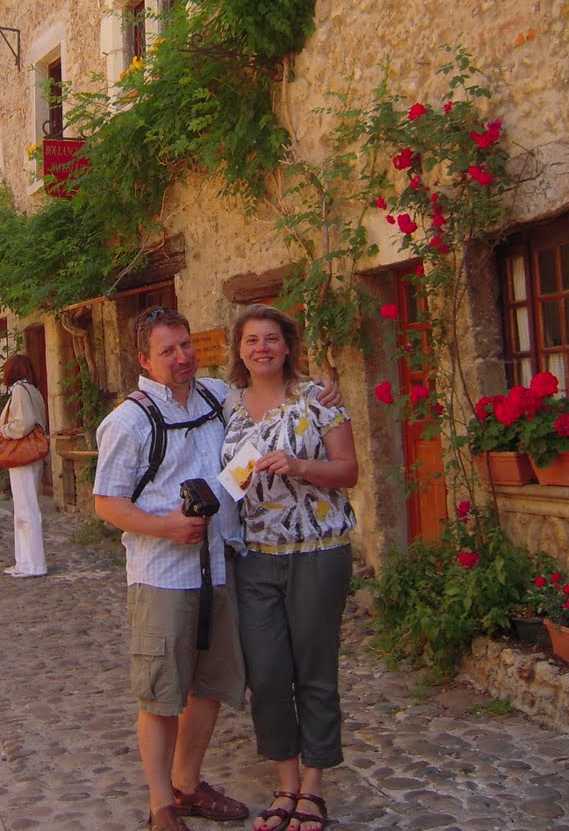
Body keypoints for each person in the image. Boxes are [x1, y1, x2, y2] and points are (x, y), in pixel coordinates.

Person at [92, 307, 251, 831]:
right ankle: (161, 804)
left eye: (186, 345)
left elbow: (270, 411)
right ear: (145, 359)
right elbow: (106, 502)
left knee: (208, 686)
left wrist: (323, 398)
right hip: (163, 574)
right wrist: (166, 527)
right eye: (168, 350)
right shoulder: (128, 421)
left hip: (221, 566)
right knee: (160, 693)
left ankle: (187, 783)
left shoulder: (216, 396)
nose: (183, 357)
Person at [221, 306, 358, 831]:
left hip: (317, 552)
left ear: (287, 345)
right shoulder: (227, 407)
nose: (262, 348)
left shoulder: (318, 398)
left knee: (315, 670)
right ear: (239, 349)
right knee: (269, 673)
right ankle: (285, 781)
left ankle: (314, 786)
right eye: (252, 340)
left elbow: (348, 470)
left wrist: (299, 466)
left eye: (271, 339)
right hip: (254, 557)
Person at [0, 354, 47, 578]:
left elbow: (24, 423)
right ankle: (24, 561)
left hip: (23, 454)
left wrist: (1, 431)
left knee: (26, 509)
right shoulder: (32, 390)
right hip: (29, 455)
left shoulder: (21, 391)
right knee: (24, 508)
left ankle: (33, 563)